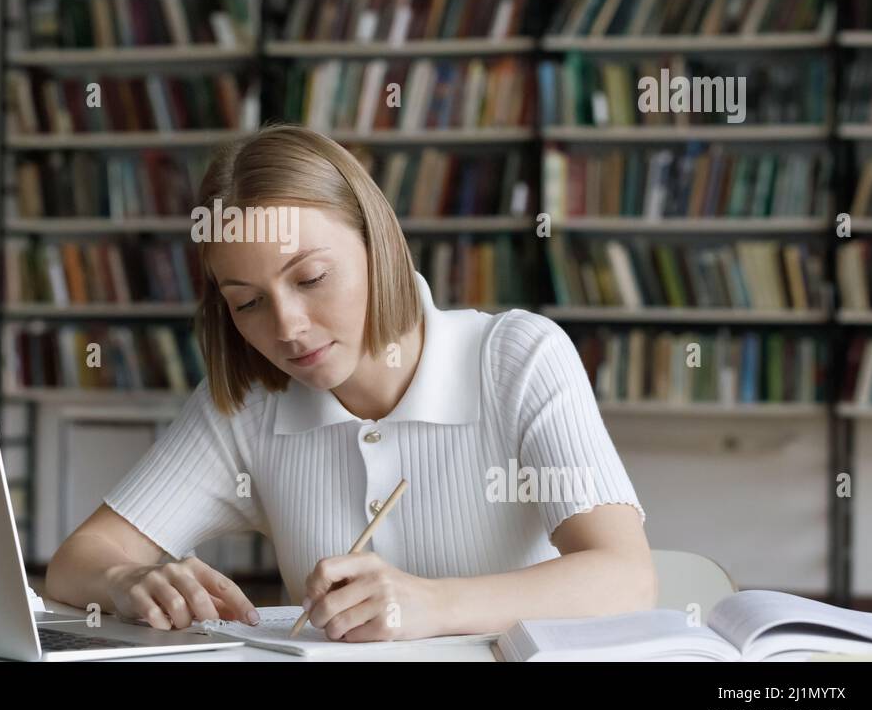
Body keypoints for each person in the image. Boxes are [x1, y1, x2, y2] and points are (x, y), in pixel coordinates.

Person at [45, 124, 654, 642]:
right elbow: (77, 563)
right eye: (248, 302)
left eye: (310, 278)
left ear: (378, 244)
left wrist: (430, 605)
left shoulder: (518, 357)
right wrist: (127, 580)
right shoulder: (253, 401)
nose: (287, 327)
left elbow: (625, 576)